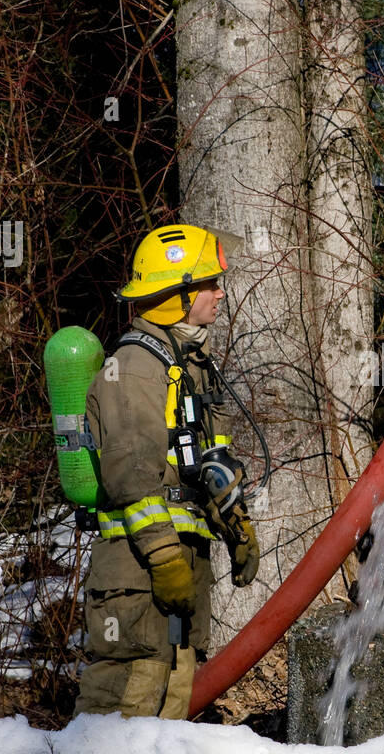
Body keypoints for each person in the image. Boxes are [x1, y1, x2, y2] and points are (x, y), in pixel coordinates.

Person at [74, 223, 260, 718]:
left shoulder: (192, 365)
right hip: (137, 567)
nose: (221, 292)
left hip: (183, 564)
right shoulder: (135, 366)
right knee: (126, 697)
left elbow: (209, 458)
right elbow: (131, 474)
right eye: (210, 283)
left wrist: (235, 523)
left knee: (174, 698)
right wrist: (162, 557)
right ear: (176, 296)